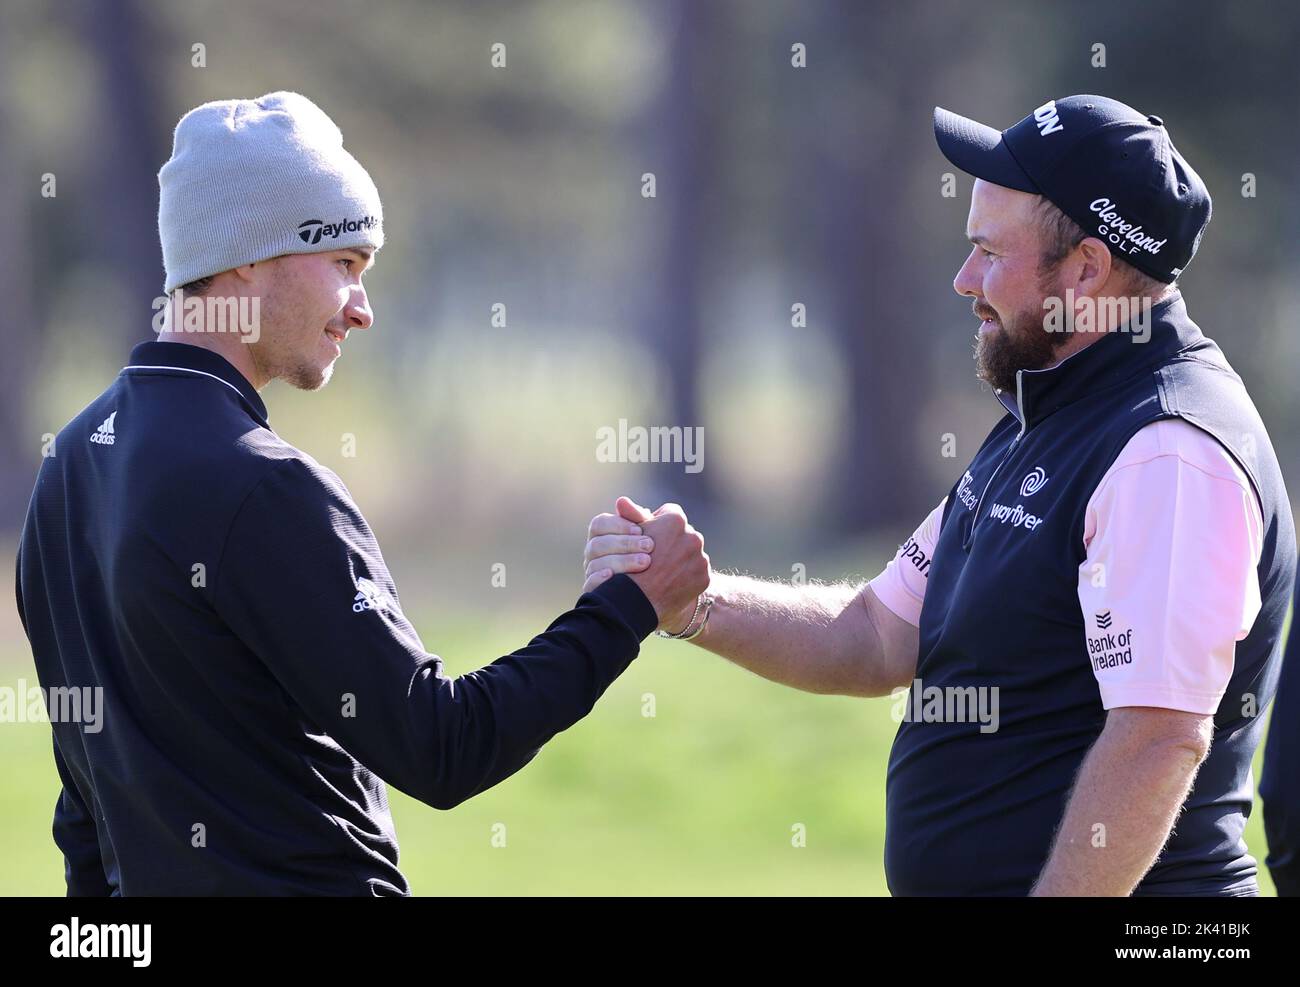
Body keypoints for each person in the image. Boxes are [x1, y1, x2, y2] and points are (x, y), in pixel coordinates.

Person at [586, 96, 1295, 896]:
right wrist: (694, 602)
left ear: (1088, 269)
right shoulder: (1054, 411)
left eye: (991, 253)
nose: (965, 280)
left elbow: (1159, 740)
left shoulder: (1167, 452)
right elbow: (874, 636)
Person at [15, 91, 709, 896]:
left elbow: (87, 814)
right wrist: (626, 606)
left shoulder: (66, 468)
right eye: (344, 263)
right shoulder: (265, 485)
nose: (363, 308)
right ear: (246, 254)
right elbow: (443, 744)